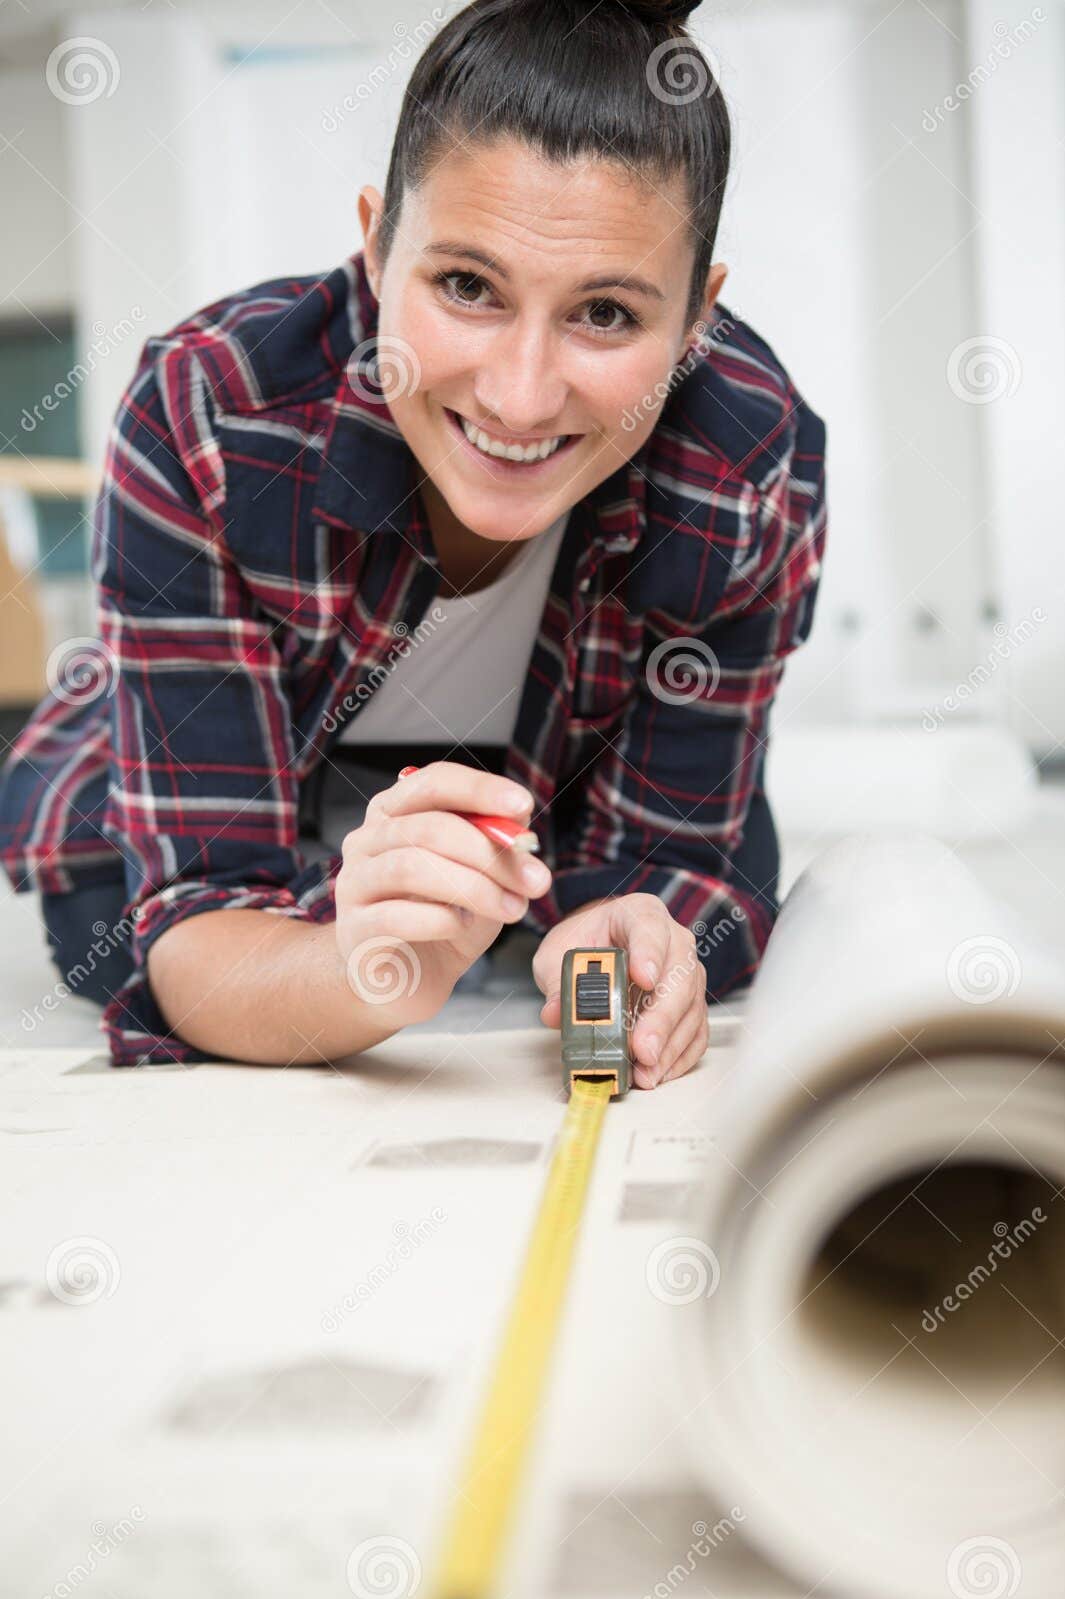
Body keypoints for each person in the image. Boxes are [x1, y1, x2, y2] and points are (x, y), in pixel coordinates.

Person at [0, 0, 827, 1085]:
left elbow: (672, 853)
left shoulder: (745, 458)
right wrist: (362, 966)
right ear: (378, 244)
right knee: (105, 911)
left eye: (608, 315)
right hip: (244, 768)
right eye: (466, 286)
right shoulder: (211, 411)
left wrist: (631, 924)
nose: (519, 397)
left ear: (696, 319)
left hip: (551, 786)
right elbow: (195, 912)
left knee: (725, 902)